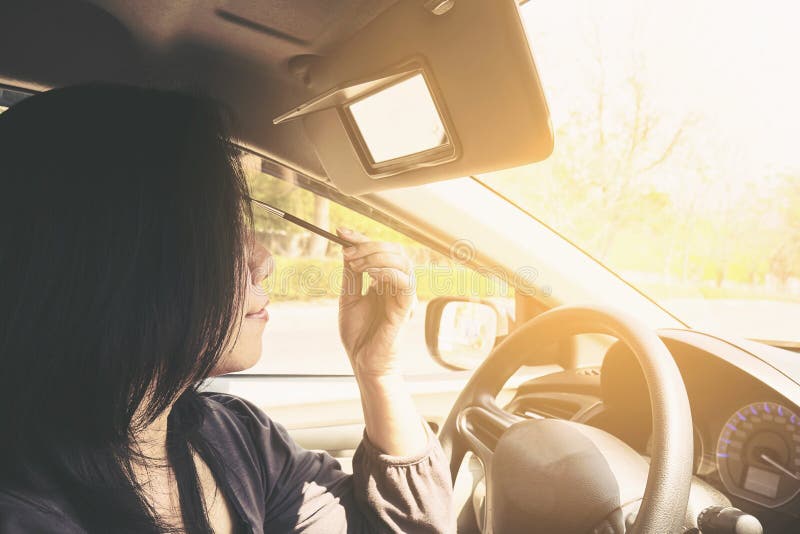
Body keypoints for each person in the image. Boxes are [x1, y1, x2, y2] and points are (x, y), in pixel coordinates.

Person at [0, 84, 453, 533]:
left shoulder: (233, 439)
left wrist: (378, 371)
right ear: (122, 259)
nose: (265, 260)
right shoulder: (23, 511)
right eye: (224, 230)